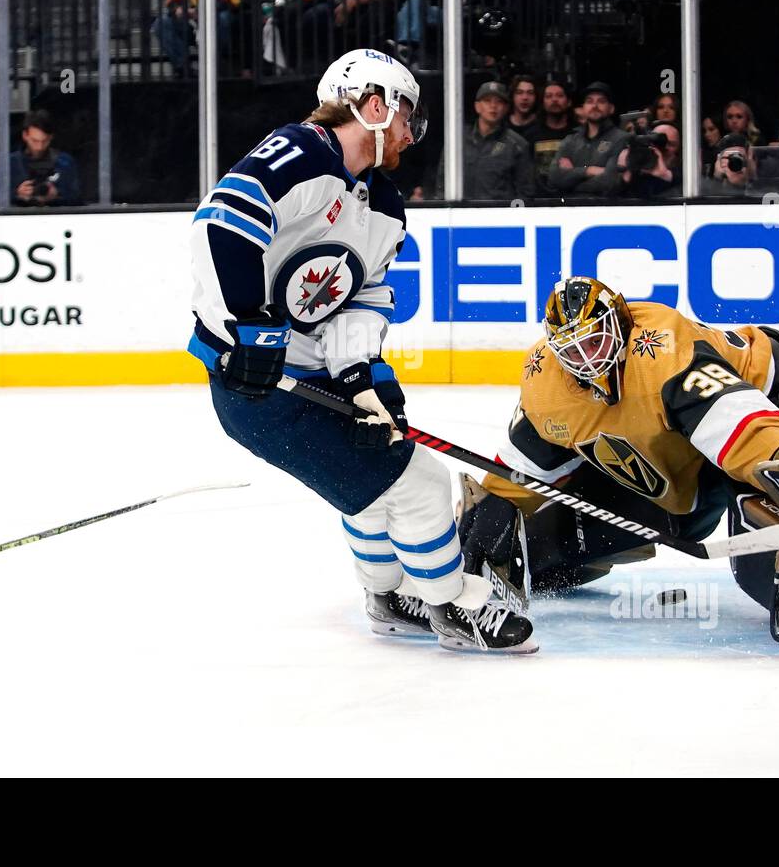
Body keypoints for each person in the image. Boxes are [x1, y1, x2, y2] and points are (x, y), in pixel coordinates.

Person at [187, 49, 535, 652]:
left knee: (373, 478)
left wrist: (361, 376)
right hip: (259, 388)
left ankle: (387, 594)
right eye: (406, 116)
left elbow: (360, 299)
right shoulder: (301, 153)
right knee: (422, 483)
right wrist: (248, 329)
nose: (409, 132)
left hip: (314, 379)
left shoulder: (384, 206)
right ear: (374, 107)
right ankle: (451, 604)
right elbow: (220, 228)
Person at [457, 277, 779, 643]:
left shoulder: (662, 353)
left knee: (774, 490)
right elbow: (520, 473)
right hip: (674, 462)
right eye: (572, 350)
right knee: (544, 540)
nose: (585, 359)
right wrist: (488, 518)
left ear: (620, 326)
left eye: (594, 342)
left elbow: (740, 431)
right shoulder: (547, 386)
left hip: (769, 397)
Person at [436, 80, 534, 201]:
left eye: (499, 102)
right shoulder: (457, 140)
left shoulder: (518, 145)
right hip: (460, 215)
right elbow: (442, 181)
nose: (493, 106)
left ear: (506, 108)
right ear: (477, 106)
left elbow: (525, 192)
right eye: (487, 101)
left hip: (501, 216)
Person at [547, 80, 626, 198]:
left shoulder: (622, 139)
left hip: (607, 210)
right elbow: (554, 178)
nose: (594, 106)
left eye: (601, 101)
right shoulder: (570, 140)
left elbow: (611, 181)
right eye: (589, 101)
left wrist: (572, 180)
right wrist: (589, 170)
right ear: (583, 108)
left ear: (611, 108)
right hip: (571, 211)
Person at [0, 109, 81, 207]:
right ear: (25, 135)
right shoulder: (9, 164)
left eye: (44, 141)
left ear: (51, 137)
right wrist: (17, 194)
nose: (39, 147)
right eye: (35, 141)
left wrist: (57, 195)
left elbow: (79, 201)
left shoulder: (65, 163)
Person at [528, 81, 573, 192]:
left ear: (569, 102)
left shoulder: (580, 134)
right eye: (549, 96)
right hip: (539, 200)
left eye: (560, 95)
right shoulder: (530, 135)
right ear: (542, 102)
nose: (554, 100)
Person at [619, 121, 680, 199]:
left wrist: (665, 174)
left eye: (671, 144)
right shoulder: (634, 170)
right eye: (659, 143)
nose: (665, 148)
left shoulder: (686, 175)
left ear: (679, 149)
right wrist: (624, 176)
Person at [507, 74, 539, 141]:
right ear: (512, 96)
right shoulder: (502, 125)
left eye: (530, 93)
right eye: (519, 92)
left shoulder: (542, 124)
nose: (525, 97)